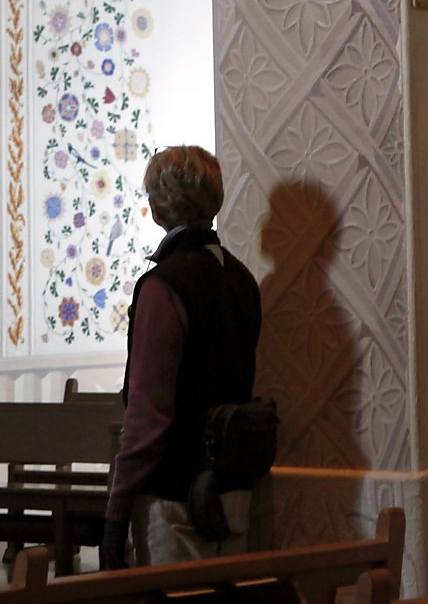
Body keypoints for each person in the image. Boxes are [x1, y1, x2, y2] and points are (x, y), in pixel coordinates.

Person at [101, 145, 263, 567]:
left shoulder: (164, 285)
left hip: (176, 496)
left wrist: (115, 516)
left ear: (158, 207)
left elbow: (147, 411)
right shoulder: (242, 278)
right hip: (235, 486)